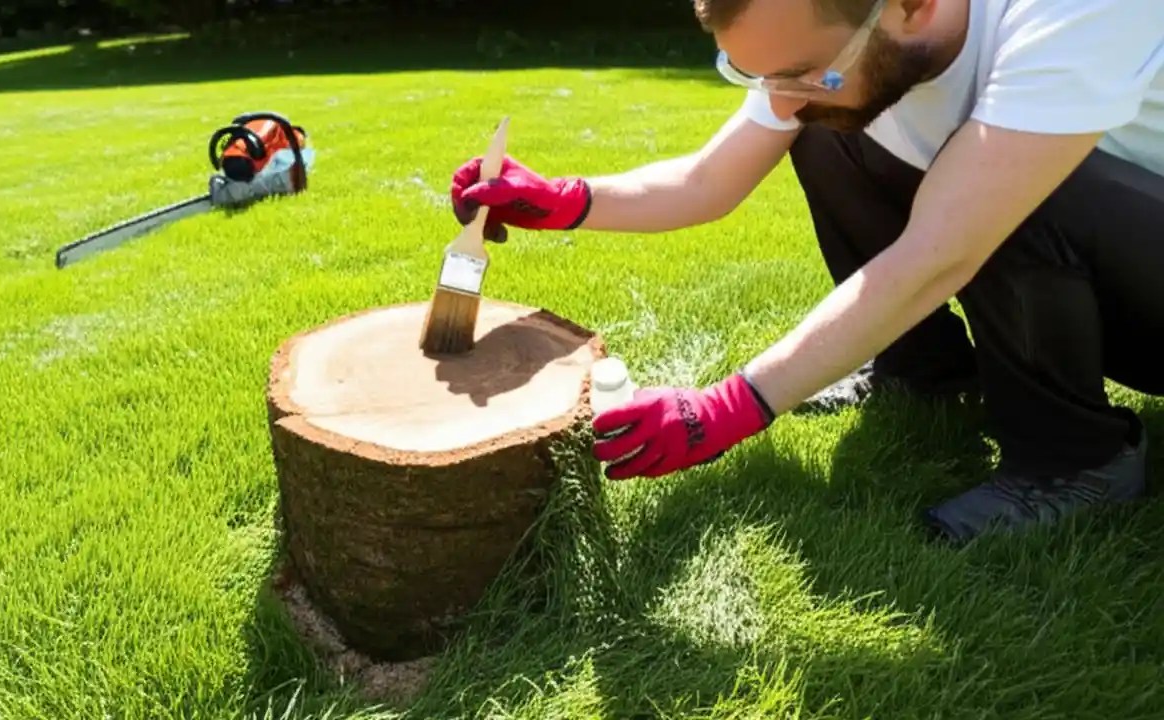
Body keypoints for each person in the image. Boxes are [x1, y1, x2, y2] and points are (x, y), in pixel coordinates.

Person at [448, 0, 1164, 544]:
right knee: (831, 130)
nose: (780, 99)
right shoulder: (838, 40)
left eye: (797, 72)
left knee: (1010, 191)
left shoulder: (1078, 15)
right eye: (757, 76)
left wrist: (729, 407)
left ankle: (1076, 461)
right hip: (1104, 258)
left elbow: (940, 254)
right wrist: (564, 200)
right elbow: (707, 182)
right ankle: (924, 376)